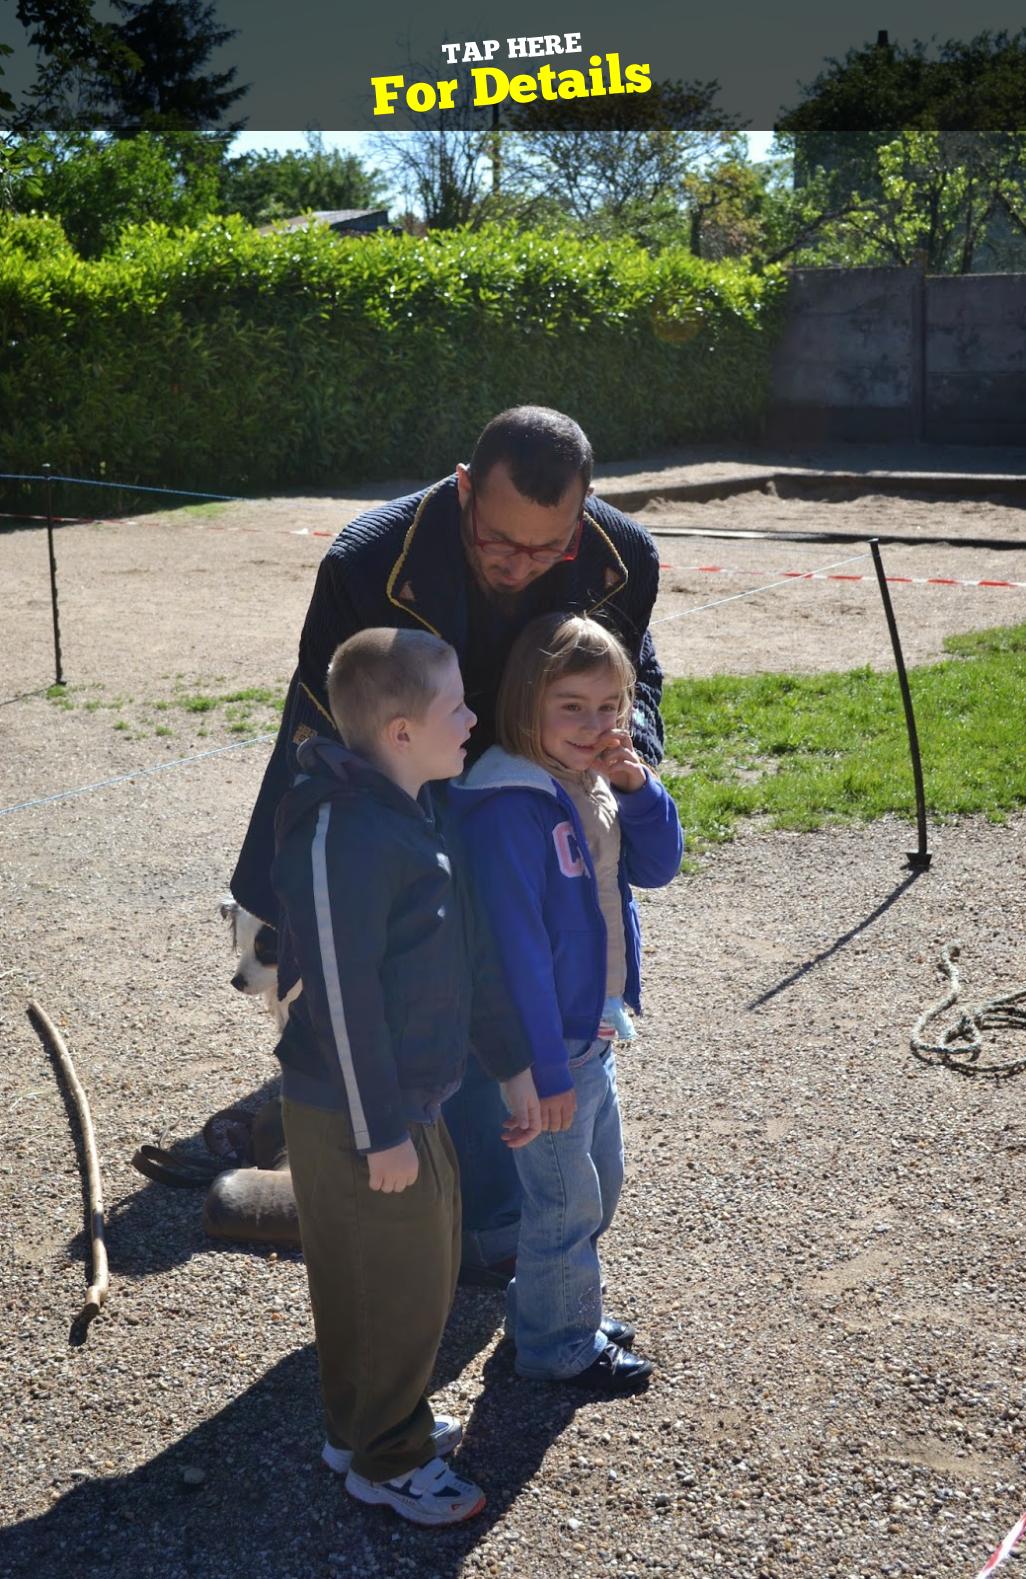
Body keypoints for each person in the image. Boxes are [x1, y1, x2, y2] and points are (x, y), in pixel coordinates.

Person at [231, 404, 666, 1277]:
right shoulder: (364, 562)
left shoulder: (624, 558)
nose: (522, 568)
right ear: (465, 490)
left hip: (534, 815)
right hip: (403, 810)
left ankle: (471, 1207)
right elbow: (341, 740)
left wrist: (625, 754)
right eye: (499, 542)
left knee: (524, 985)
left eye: (550, 549)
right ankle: (340, 1170)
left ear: (584, 512)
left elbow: (634, 678)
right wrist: (423, 877)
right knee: (416, 990)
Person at [271, 627, 540, 1525]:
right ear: (397, 732)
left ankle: (364, 1429)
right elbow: (340, 997)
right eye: (455, 705)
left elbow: (463, 956)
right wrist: (379, 1126)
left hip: (408, 1098)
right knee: (393, 1286)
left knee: (399, 1274)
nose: (472, 716)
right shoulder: (342, 830)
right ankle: (388, 1460)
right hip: (360, 1109)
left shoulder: (415, 805)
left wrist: (507, 1065)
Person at [450, 614, 683, 1392]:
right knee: (562, 1201)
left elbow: (657, 867)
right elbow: (511, 951)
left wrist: (639, 787)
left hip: (592, 1027)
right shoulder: (509, 805)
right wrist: (541, 1066)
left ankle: (549, 1308)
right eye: (573, 706)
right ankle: (556, 1346)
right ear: (527, 703)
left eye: (611, 705)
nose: (597, 724)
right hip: (547, 1043)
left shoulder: (589, 781)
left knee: (598, 1180)